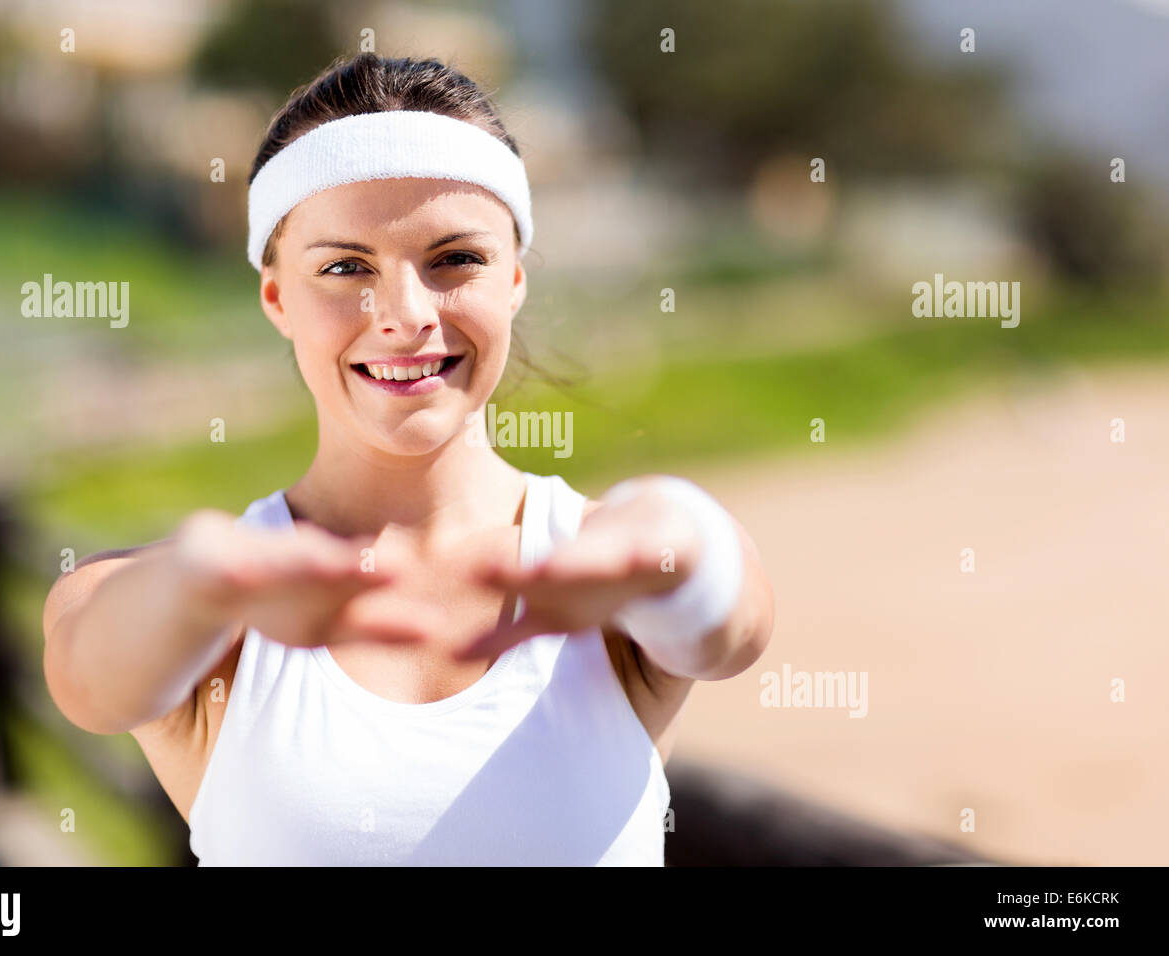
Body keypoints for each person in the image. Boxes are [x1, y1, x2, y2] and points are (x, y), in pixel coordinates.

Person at [41, 52, 774, 866]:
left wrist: (673, 538)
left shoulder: (607, 571)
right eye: (345, 268)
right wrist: (193, 583)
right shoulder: (210, 604)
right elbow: (89, 675)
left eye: (456, 258)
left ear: (515, 280)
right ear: (276, 296)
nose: (405, 315)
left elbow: (733, 627)